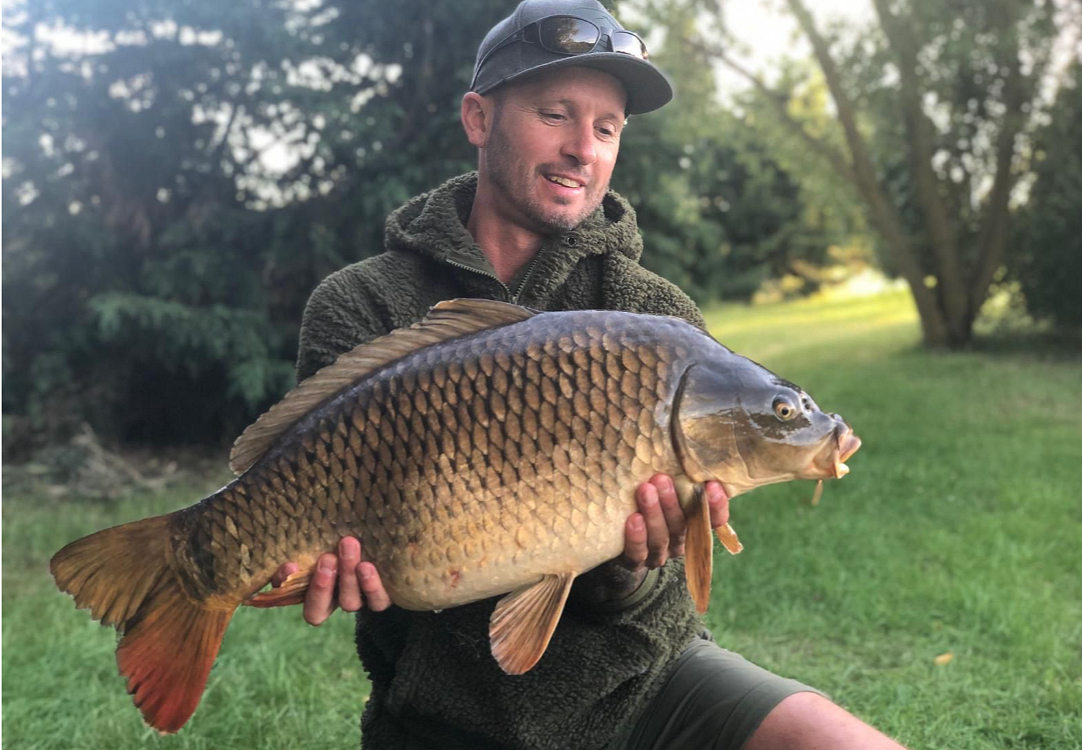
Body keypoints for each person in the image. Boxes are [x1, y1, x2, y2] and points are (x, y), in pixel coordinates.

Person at [274, 1, 908, 748]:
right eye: (555, 114)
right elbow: (354, 551)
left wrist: (629, 565)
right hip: (447, 714)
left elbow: (656, 591)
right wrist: (335, 569)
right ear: (478, 119)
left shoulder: (655, 315)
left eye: (606, 128)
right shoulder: (363, 304)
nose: (583, 148)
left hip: (646, 684)